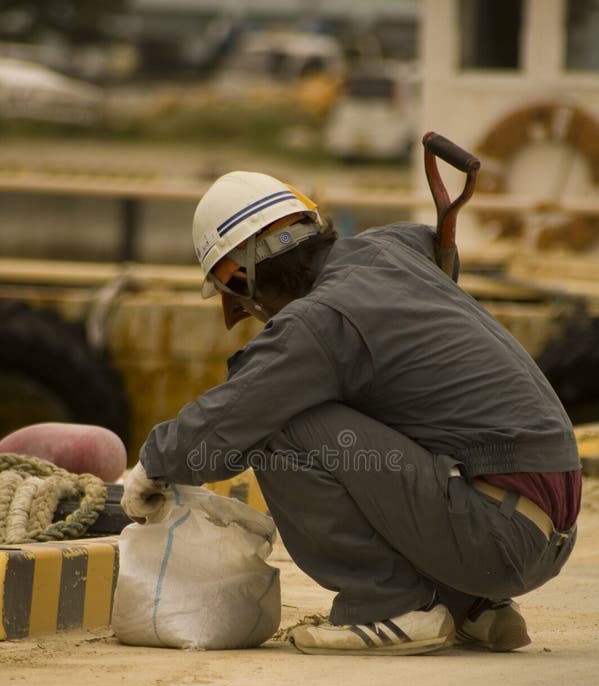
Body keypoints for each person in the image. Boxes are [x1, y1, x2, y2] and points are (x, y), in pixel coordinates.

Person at [121, 170, 581, 656]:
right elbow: (430, 243)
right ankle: (472, 607)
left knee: (278, 427)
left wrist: (151, 467)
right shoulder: (392, 252)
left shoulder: (318, 322)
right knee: (380, 407)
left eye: (233, 296)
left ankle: (390, 607)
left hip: (496, 537)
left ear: (242, 276)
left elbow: (229, 420)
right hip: (545, 531)